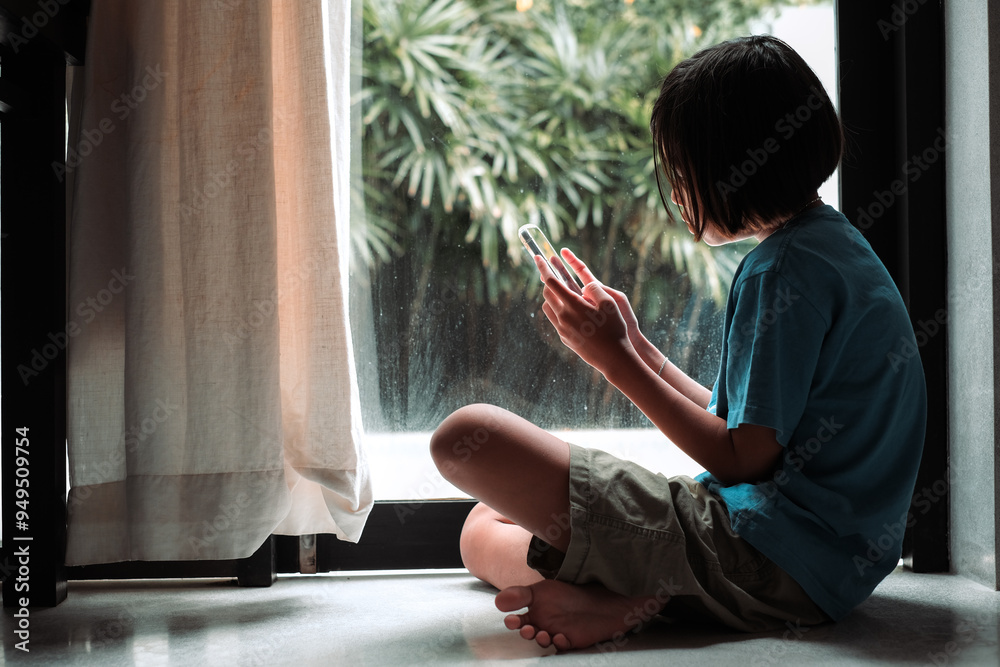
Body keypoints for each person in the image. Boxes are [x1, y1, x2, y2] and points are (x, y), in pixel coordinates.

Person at [429, 34, 927, 652]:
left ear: (731, 169)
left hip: (764, 559)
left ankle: (646, 596)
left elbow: (743, 459)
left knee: (466, 454)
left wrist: (616, 364)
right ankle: (648, 588)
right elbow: (741, 427)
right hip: (823, 568)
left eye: (682, 172)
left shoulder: (781, 270)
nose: (679, 193)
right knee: (488, 521)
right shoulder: (833, 246)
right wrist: (636, 345)